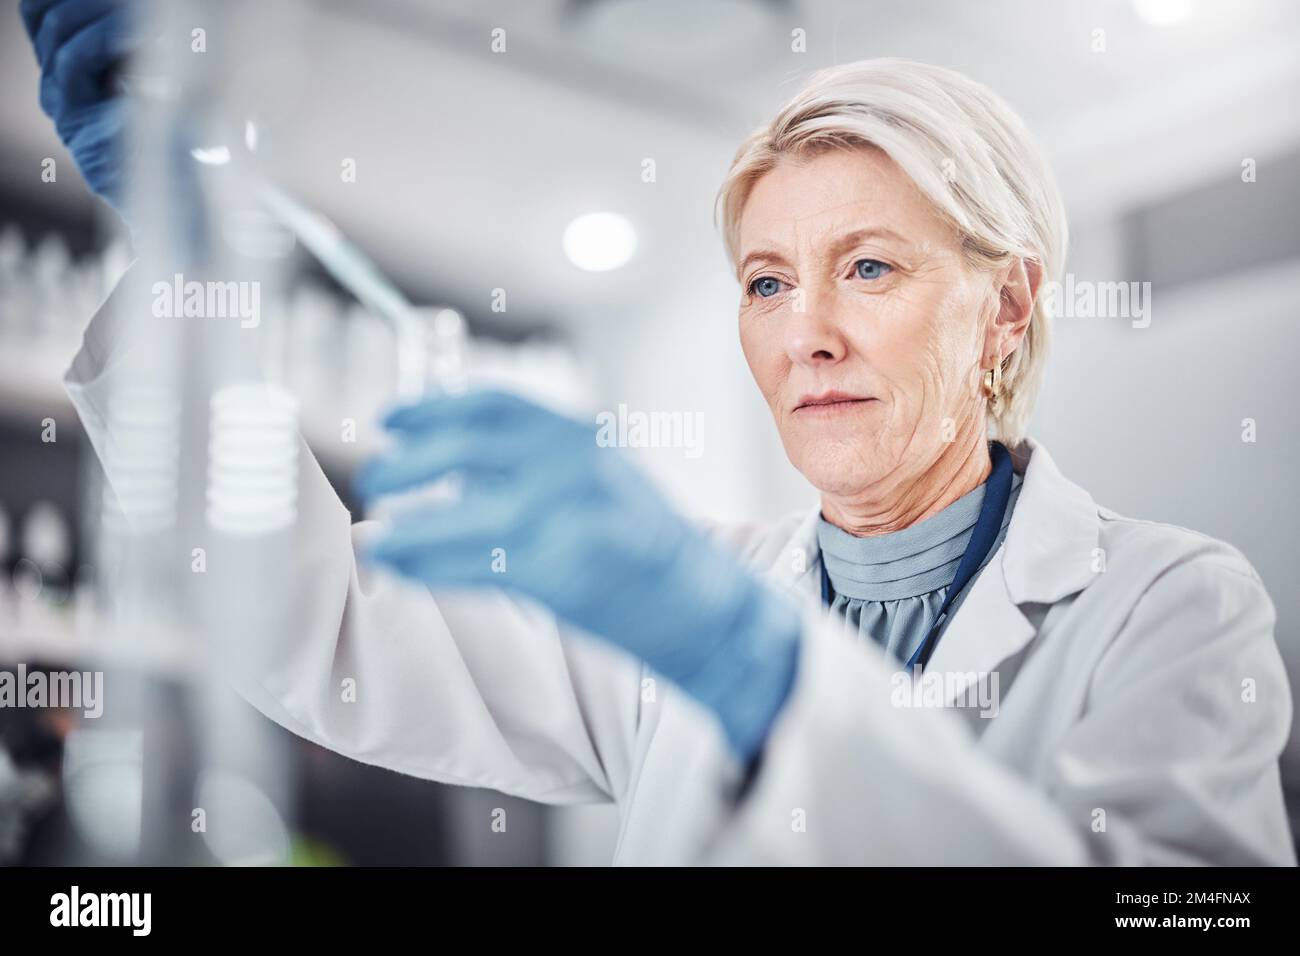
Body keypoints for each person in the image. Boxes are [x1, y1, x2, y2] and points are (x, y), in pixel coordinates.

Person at [23, 0, 1295, 864]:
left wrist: (754, 669)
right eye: (765, 281)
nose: (805, 333)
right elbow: (315, 626)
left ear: (1005, 305)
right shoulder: (688, 601)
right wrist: (185, 248)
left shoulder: (1168, 605)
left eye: (866, 268)